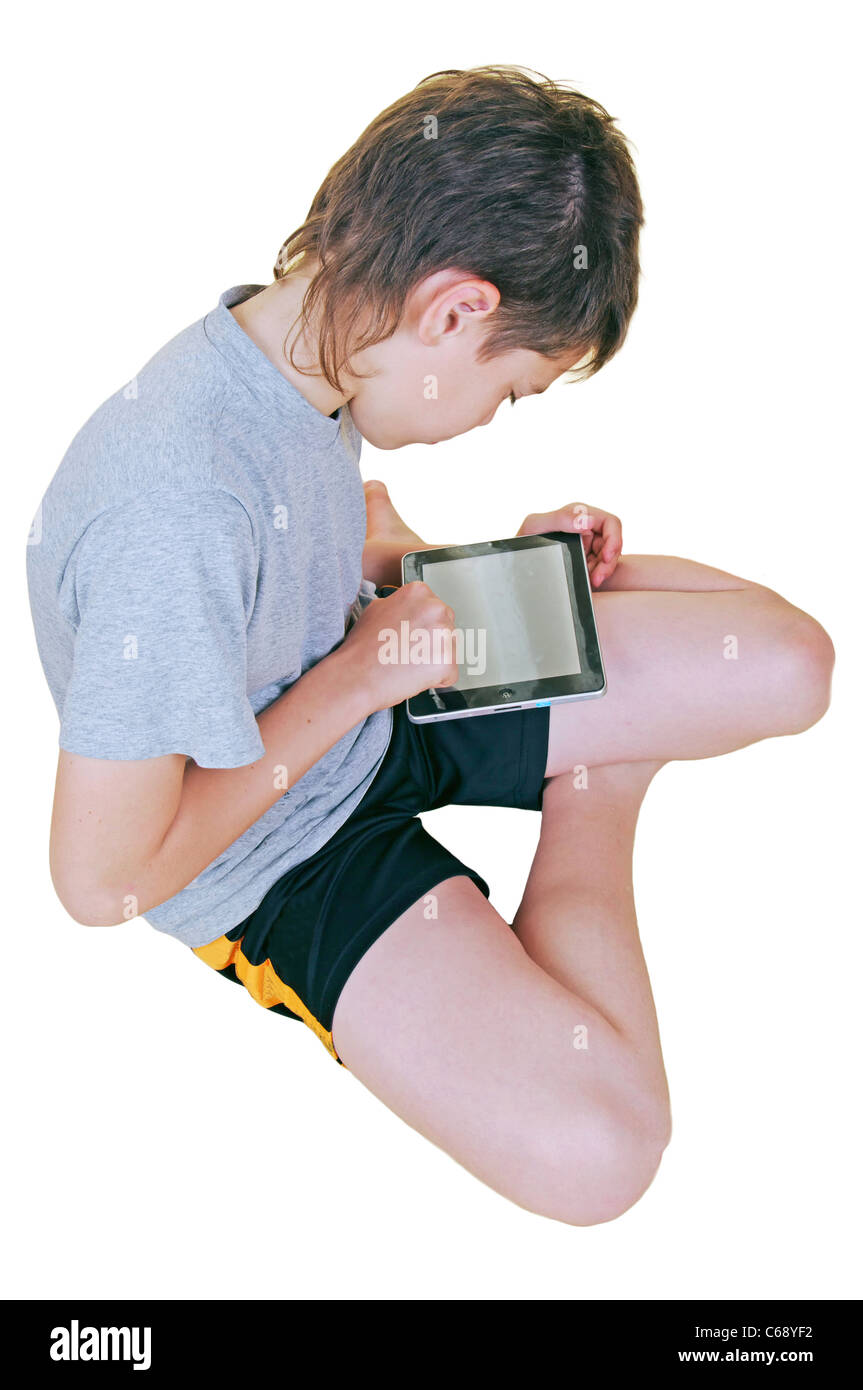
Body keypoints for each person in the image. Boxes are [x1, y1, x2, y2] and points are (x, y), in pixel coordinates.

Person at [27, 65, 834, 1226]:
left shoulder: (311, 345)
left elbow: (294, 557)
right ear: (454, 312)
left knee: (790, 664)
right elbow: (102, 881)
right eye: (508, 392)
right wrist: (360, 678)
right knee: (602, 1159)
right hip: (271, 845)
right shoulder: (171, 511)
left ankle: (556, 684)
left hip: (379, 662)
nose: (491, 416)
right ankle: (599, 784)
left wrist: (450, 567)